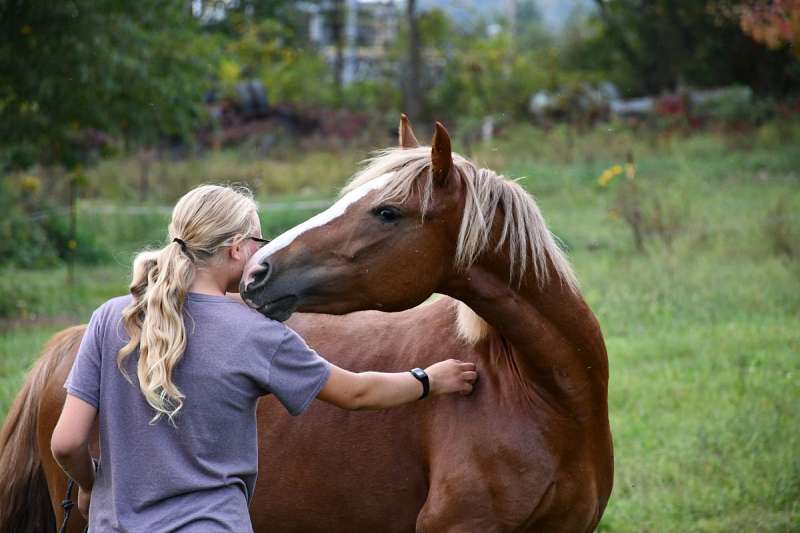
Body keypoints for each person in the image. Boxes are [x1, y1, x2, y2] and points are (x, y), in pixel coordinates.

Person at [50, 184, 478, 531]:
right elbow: (357, 392)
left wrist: (92, 485)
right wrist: (429, 380)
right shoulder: (256, 333)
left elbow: (66, 443)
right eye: (259, 242)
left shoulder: (111, 318)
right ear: (237, 248)